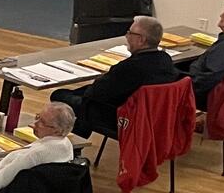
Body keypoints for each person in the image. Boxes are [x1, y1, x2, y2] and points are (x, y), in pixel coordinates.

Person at [51, 14, 180, 139]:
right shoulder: (165, 60)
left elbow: (95, 93)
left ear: (141, 40)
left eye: (130, 33)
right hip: (153, 117)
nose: (126, 36)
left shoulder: (129, 67)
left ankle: (71, 146)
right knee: (79, 94)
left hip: (122, 118)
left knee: (60, 96)